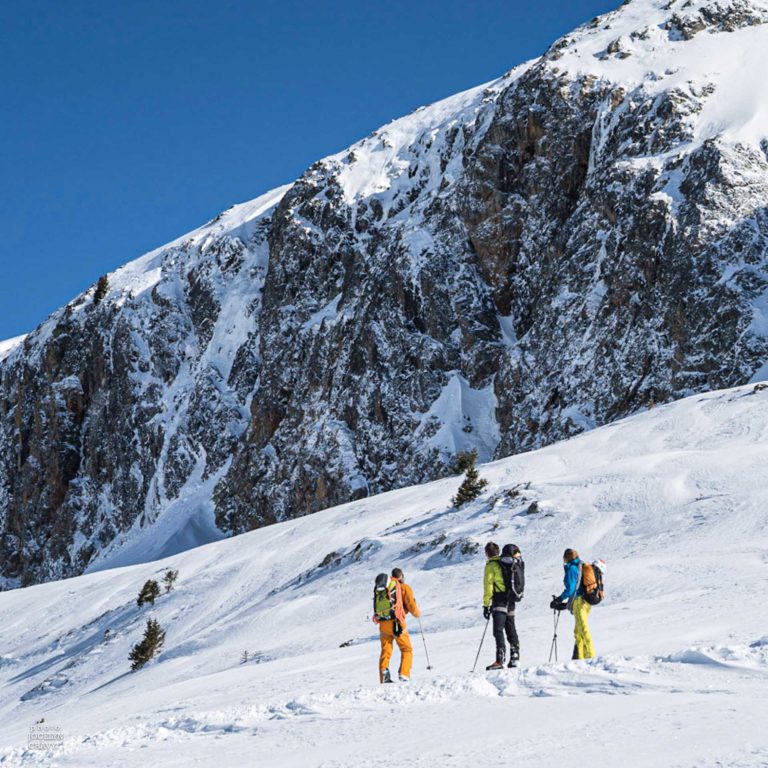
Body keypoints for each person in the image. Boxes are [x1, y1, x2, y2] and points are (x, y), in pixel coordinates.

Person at [372, 567, 420, 683]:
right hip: (397, 623)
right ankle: (404, 673)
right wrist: (417, 613)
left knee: (386, 650)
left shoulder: (385, 587)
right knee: (406, 649)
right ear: (401, 576)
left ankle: (384, 675)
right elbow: (412, 607)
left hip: (383, 622)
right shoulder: (404, 587)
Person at [482, 542, 521, 670]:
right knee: (511, 627)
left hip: (499, 599)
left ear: (487, 554)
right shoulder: (506, 563)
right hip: (511, 599)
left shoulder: (491, 566)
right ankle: (515, 657)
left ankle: (500, 660)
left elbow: (488, 586)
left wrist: (486, 605)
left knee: (498, 630)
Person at [550, 548, 594, 660]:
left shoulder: (572, 569)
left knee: (583, 629)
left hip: (579, 602)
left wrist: (559, 599)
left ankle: (590, 656)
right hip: (585, 602)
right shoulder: (579, 566)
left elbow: (571, 589)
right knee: (578, 631)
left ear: (567, 557)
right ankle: (581, 657)